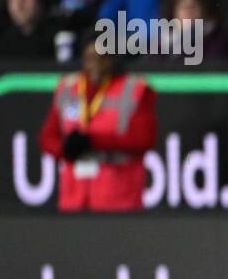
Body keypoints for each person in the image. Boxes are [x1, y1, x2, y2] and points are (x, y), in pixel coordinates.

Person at [37, 35, 157, 212]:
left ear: (112, 59)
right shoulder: (68, 87)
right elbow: (47, 137)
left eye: (103, 58)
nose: (96, 65)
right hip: (75, 197)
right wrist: (65, 149)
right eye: (91, 58)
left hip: (118, 197)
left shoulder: (133, 88)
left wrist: (94, 141)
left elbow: (144, 138)